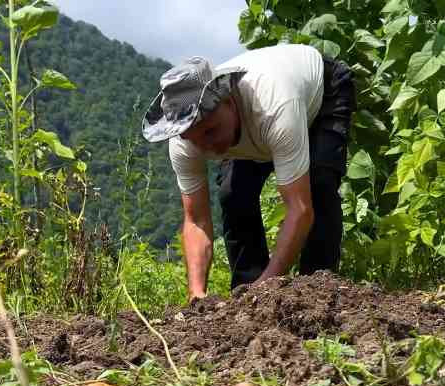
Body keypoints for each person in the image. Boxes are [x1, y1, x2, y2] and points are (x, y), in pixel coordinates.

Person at [142, 43, 356, 299]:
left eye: (210, 131)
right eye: (194, 139)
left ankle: (317, 291)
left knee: (319, 184)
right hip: (255, 126)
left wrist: (266, 288)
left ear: (230, 101)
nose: (205, 146)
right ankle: (245, 293)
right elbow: (196, 220)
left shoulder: (274, 107)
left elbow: (299, 209)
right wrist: (196, 292)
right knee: (234, 195)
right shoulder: (184, 139)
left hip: (321, 95)